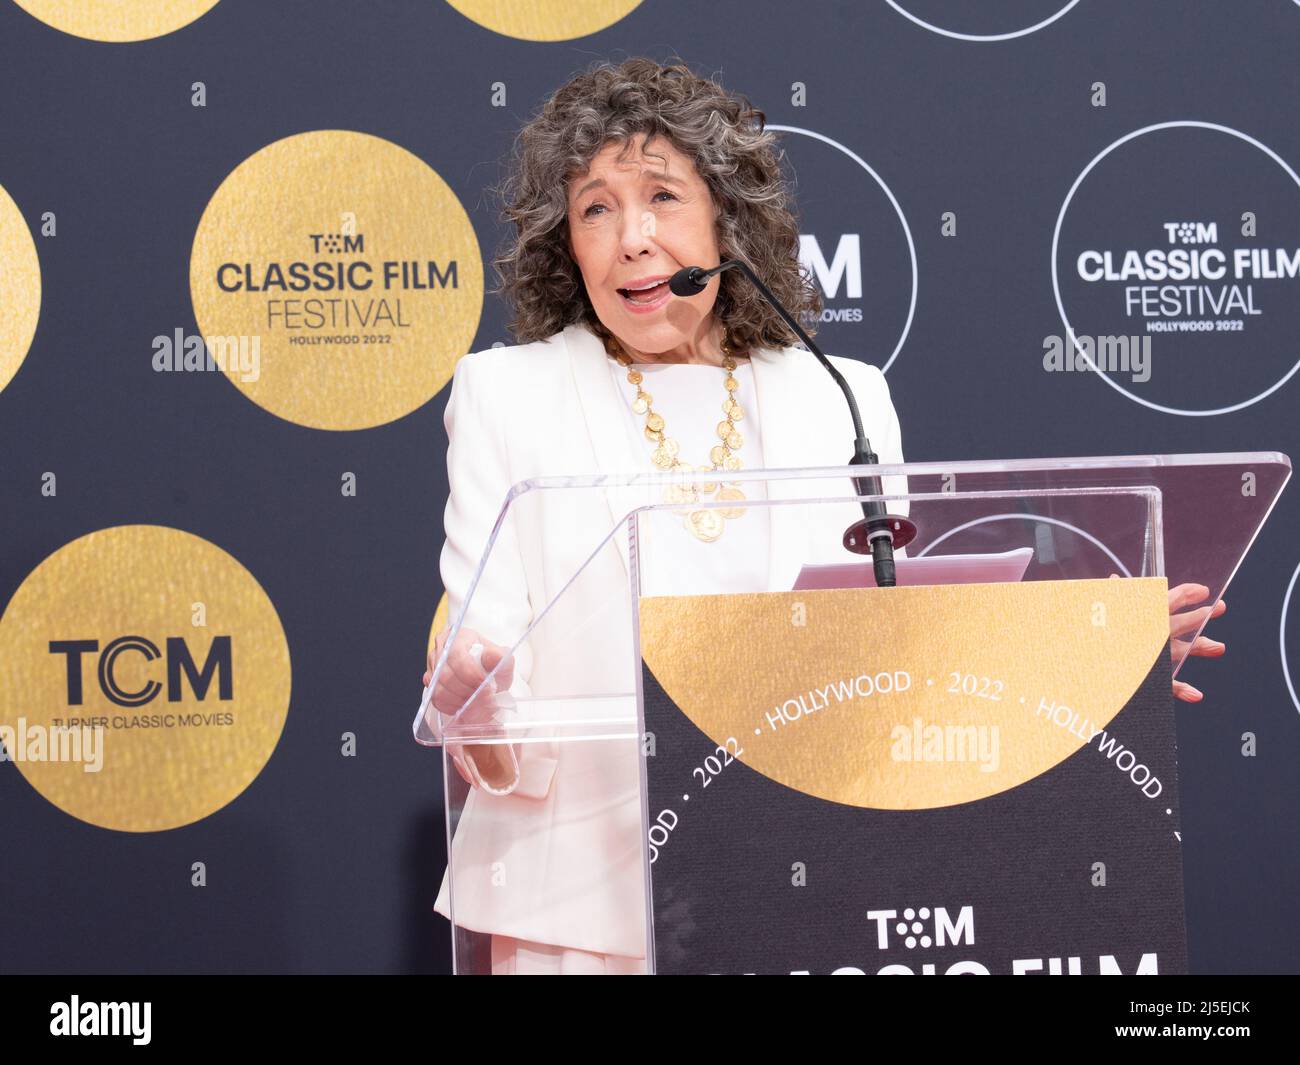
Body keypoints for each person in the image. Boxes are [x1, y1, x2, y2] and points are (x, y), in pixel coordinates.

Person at [420, 57, 1225, 974]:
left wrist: (1091, 664)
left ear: (727, 217)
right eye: (596, 207)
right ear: (566, 240)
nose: (633, 239)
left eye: (662, 197)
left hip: (802, 886)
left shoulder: (841, 399)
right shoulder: (507, 395)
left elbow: (895, 662)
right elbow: (478, 659)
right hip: (576, 911)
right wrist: (470, 702)